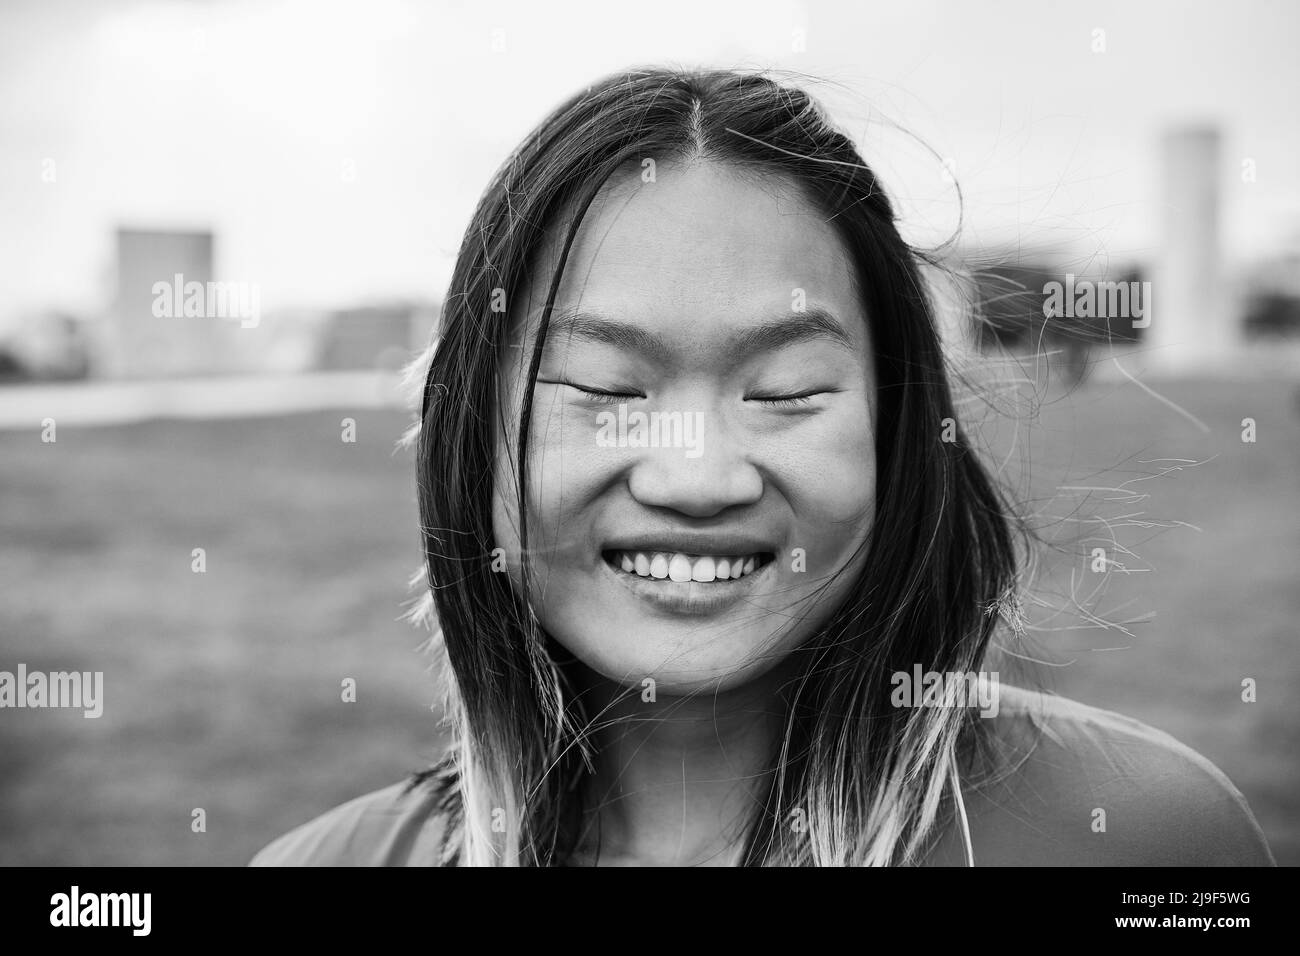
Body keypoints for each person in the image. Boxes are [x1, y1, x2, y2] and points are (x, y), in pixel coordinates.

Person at [251, 68, 1274, 867]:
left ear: (898, 433)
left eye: (785, 391)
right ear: (472, 439)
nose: (697, 479)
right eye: (605, 388)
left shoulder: (1137, 835)